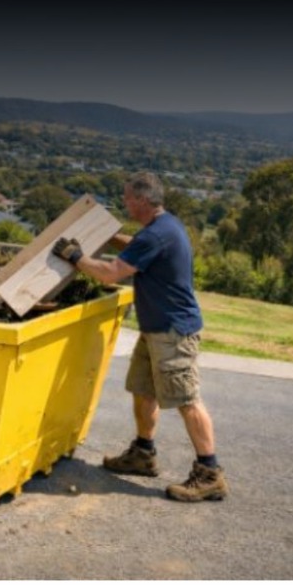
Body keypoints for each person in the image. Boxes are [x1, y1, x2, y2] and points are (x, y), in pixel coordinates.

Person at [52, 172, 227, 502]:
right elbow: (137, 248)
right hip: (156, 330)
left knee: (187, 401)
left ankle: (210, 473)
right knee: (144, 391)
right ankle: (143, 454)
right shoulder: (164, 227)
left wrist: (75, 257)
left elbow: (110, 273)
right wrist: (109, 238)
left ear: (144, 201)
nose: (125, 203)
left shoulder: (157, 234)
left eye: (128, 199)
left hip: (173, 332)